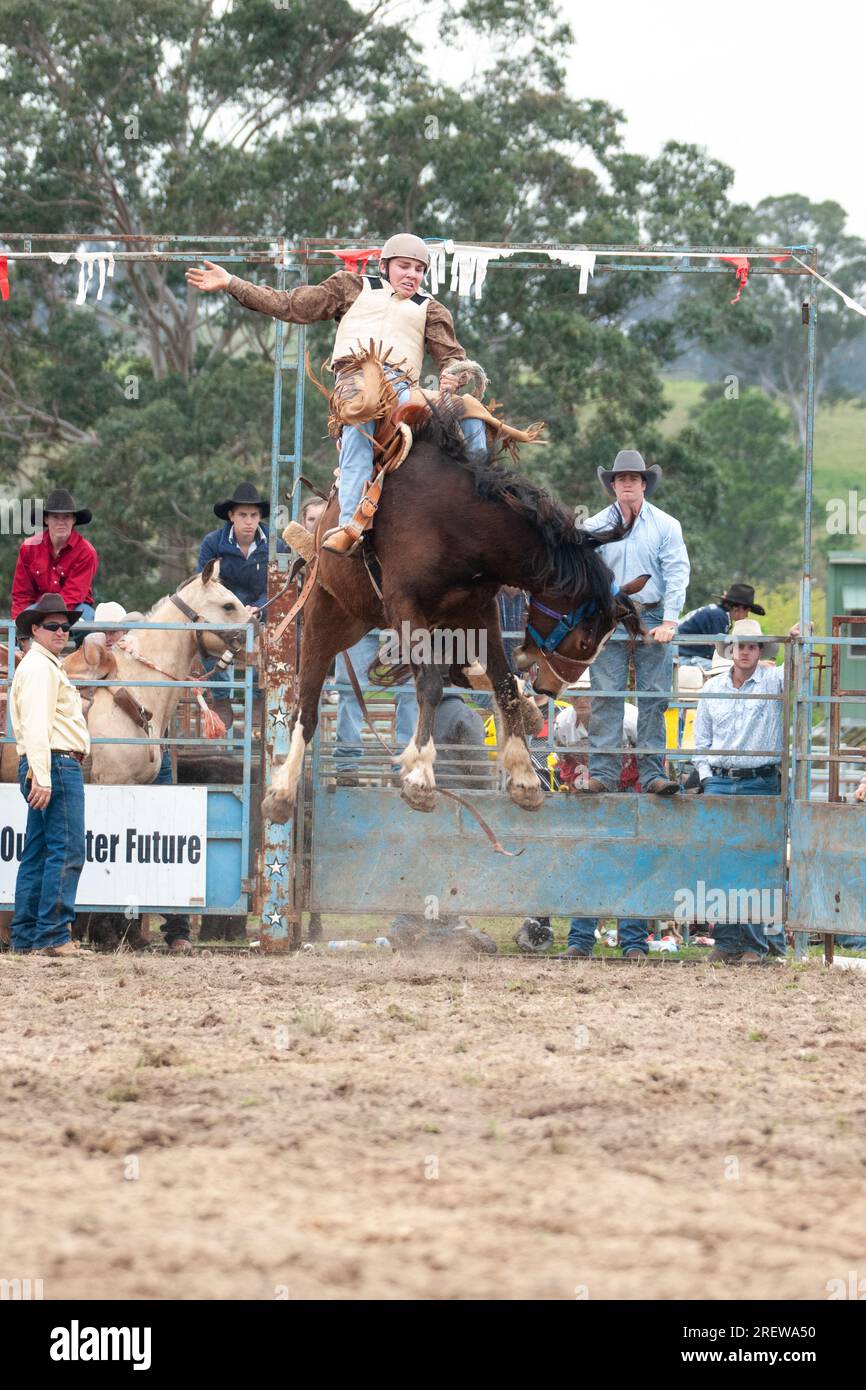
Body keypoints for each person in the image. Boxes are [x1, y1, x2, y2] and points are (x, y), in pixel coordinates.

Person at [186, 233, 487, 554]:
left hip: (403, 391)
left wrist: (453, 376)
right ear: (384, 266)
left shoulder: (431, 309)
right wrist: (232, 282)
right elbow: (290, 304)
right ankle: (348, 524)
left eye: (418, 269)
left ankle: (481, 493)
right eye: (404, 266)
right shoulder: (350, 286)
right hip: (356, 382)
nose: (412, 274)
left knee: (467, 409)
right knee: (362, 415)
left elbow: (453, 359)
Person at [582, 450, 690, 796]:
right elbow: (586, 578)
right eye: (621, 478)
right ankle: (602, 775)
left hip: (654, 614)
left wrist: (670, 621)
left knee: (653, 697)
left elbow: (677, 573)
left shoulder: (666, 525)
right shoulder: (595, 527)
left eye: (633, 478)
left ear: (644, 485)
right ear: (612, 485)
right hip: (611, 615)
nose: (627, 483)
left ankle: (653, 774)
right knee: (605, 695)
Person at [692, 618, 797, 964]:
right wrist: (707, 778)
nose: (746, 652)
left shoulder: (775, 680)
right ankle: (727, 942)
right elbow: (701, 743)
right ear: (732, 650)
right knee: (722, 862)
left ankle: (752, 945)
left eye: (753, 646)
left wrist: (797, 636)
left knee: (753, 863)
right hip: (721, 780)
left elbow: (799, 669)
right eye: (741, 646)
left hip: (759, 779)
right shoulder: (711, 689)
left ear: (761, 651)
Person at [8, 594, 91, 957]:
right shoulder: (42, 668)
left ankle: (26, 936)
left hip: (45, 763)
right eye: (53, 626)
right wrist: (42, 776)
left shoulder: (38, 665)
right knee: (67, 848)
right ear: (35, 630)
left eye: (65, 626)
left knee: (38, 852)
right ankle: (55, 935)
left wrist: (37, 772)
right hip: (55, 763)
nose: (62, 631)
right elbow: (37, 725)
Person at [197, 481, 287, 731]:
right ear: (231, 516)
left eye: (254, 515)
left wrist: (258, 607)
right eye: (243, 515)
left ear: (260, 517)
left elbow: (277, 586)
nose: (249, 521)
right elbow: (203, 583)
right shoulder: (213, 543)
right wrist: (233, 608)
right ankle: (221, 696)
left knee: (269, 638)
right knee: (202, 636)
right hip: (222, 612)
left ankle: (258, 699)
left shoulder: (275, 545)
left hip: (260, 610)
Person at [11, 488, 99, 627]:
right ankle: (19, 648)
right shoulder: (28, 548)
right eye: (55, 517)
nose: (61, 522)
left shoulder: (86, 552)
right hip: (39, 608)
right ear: (46, 519)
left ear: (74, 520)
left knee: (88, 625)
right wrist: (19, 627)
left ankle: (84, 649)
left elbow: (74, 594)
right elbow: (22, 594)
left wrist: (50, 620)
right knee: (22, 621)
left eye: (66, 517)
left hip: (76, 607)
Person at [677, 583, 766, 669]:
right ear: (737, 608)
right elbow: (723, 653)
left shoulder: (718, 613)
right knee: (728, 668)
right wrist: (755, 663)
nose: (746, 615)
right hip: (684, 657)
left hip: (686, 655)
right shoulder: (719, 616)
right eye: (747, 611)